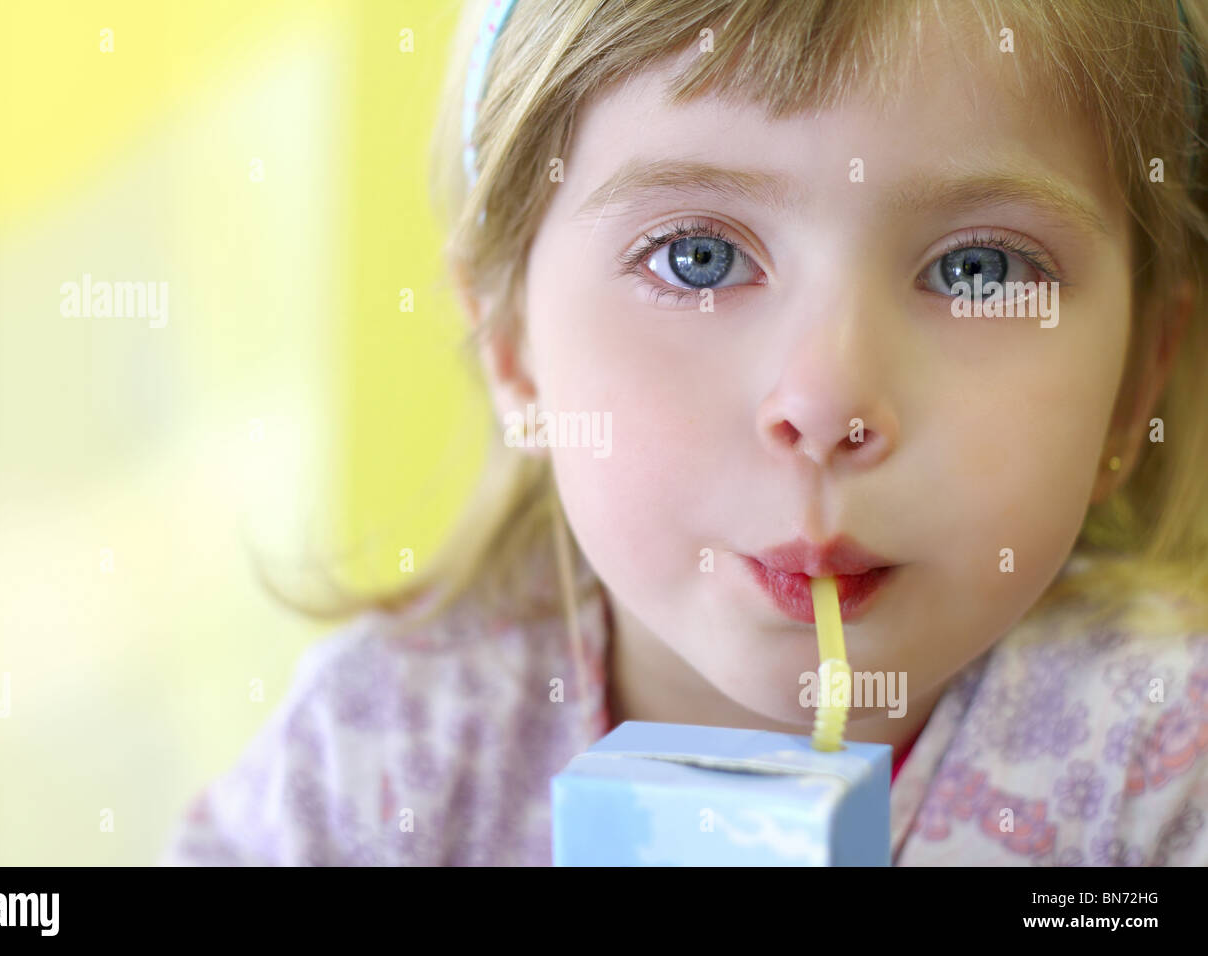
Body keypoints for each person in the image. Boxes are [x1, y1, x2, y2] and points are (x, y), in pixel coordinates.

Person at [161, 0, 1208, 866]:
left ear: (1133, 382)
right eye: (698, 257)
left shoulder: (1163, 760)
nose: (827, 403)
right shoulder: (383, 750)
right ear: (513, 344)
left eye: (976, 270)